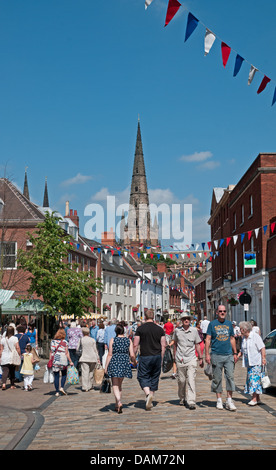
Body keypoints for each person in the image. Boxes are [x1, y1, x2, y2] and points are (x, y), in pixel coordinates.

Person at [205, 305, 238, 411]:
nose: (222, 312)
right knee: (217, 378)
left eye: (224, 311)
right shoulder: (212, 324)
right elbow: (208, 339)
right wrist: (207, 354)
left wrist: (235, 353)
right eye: (220, 311)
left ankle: (229, 400)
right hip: (216, 354)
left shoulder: (229, 324)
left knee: (230, 377)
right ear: (216, 312)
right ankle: (219, 400)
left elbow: (232, 338)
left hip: (228, 355)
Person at [133, 310, 167, 411]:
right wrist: (161, 356)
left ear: (145, 317)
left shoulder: (140, 329)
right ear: (154, 317)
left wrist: (133, 356)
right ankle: (151, 396)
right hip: (156, 355)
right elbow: (163, 345)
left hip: (145, 356)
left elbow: (135, 344)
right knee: (154, 376)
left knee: (142, 376)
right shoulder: (160, 329)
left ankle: (148, 394)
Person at [171, 315, 204, 409]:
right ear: (181, 320)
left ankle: (191, 401)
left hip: (191, 358)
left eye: (188, 319)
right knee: (181, 381)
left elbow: (197, 344)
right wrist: (174, 357)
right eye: (184, 319)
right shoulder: (177, 331)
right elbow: (175, 344)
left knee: (191, 379)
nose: (186, 320)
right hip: (180, 358)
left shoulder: (194, 331)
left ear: (190, 320)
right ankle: (182, 398)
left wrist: (200, 358)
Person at [105, 323, 136, 413]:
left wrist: (106, 367)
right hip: (124, 362)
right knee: (120, 385)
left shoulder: (113, 340)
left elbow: (110, 354)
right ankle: (116, 405)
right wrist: (134, 362)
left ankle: (118, 401)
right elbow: (132, 354)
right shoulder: (128, 341)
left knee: (115, 384)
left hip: (114, 362)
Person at [238, 321, 266, 406]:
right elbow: (243, 350)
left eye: (241, 329)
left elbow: (262, 347)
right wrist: (238, 355)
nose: (240, 330)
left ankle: (253, 399)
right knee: (253, 380)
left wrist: (263, 358)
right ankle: (257, 398)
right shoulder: (244, 338)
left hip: (256, 362)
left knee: (254, 380)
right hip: (249, 363)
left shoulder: (255, 336)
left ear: (245, 329)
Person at [50, 328, 73, 397]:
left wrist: (50, 360)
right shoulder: (65, 342)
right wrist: (70, 361)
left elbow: (51, 352)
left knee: (56, 375)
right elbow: (66, 353)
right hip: (63, 359)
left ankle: (57, 391)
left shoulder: (53, 342)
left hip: (55, 359)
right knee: (64, 374)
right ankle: (62, 387)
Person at [77, 327, 100, 392]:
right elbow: (95, 350)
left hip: (84, 358)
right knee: (91, 372)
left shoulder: (81, 340)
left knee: (85, 373)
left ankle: (85, 387)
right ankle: (90, 385)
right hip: (92, 358)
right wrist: (98, 358)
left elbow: (77, 349)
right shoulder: (92, 340)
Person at [0, 326, 21, 390]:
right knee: (12, 371)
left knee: (5, 371)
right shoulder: (15, 338)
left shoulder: (3, 339)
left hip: (4, 357)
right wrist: (19, 354)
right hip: (12, 357)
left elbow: (1, 349)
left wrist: (0, 356)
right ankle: (12, 385)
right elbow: (17, 347)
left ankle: (3, 384)